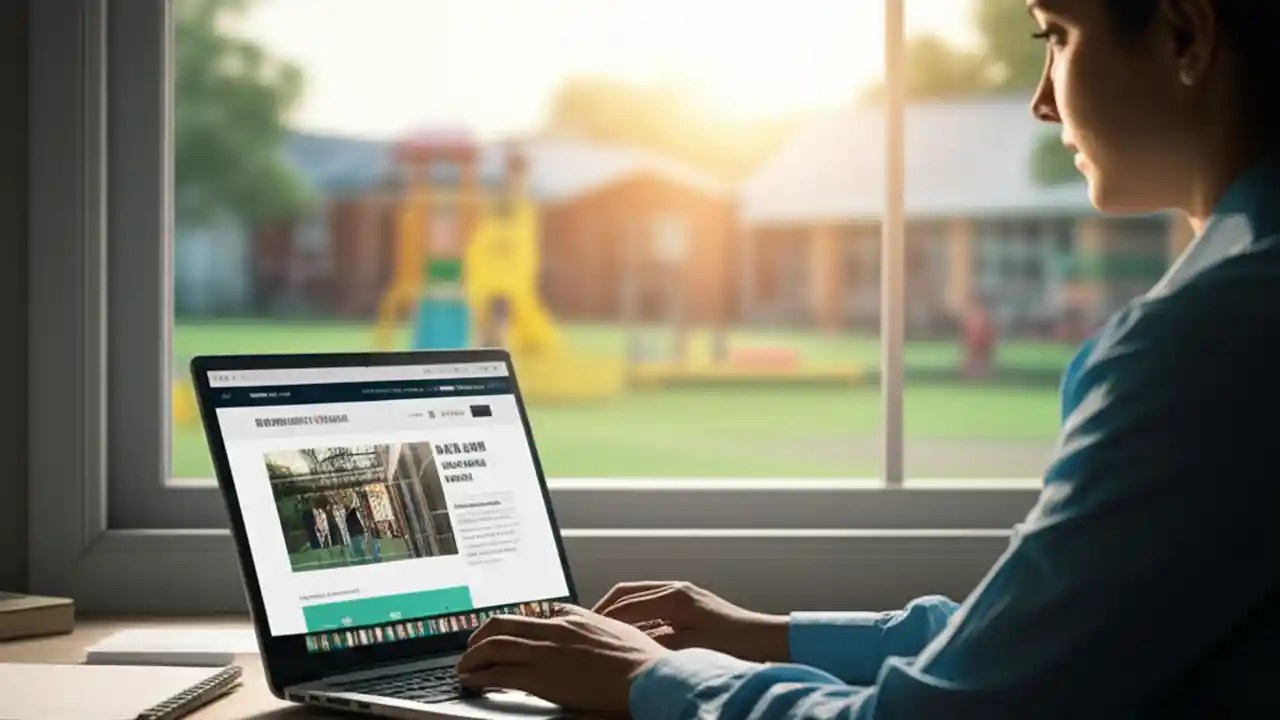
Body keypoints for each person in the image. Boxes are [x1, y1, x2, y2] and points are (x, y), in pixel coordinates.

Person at [455, 1, 1280, 717]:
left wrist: (657, 677)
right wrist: (760, 634)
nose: (1038, 100)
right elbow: (1052, 626)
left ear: (1184, 34)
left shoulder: (1207, 342)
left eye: (1055, 36)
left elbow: (949, 714)